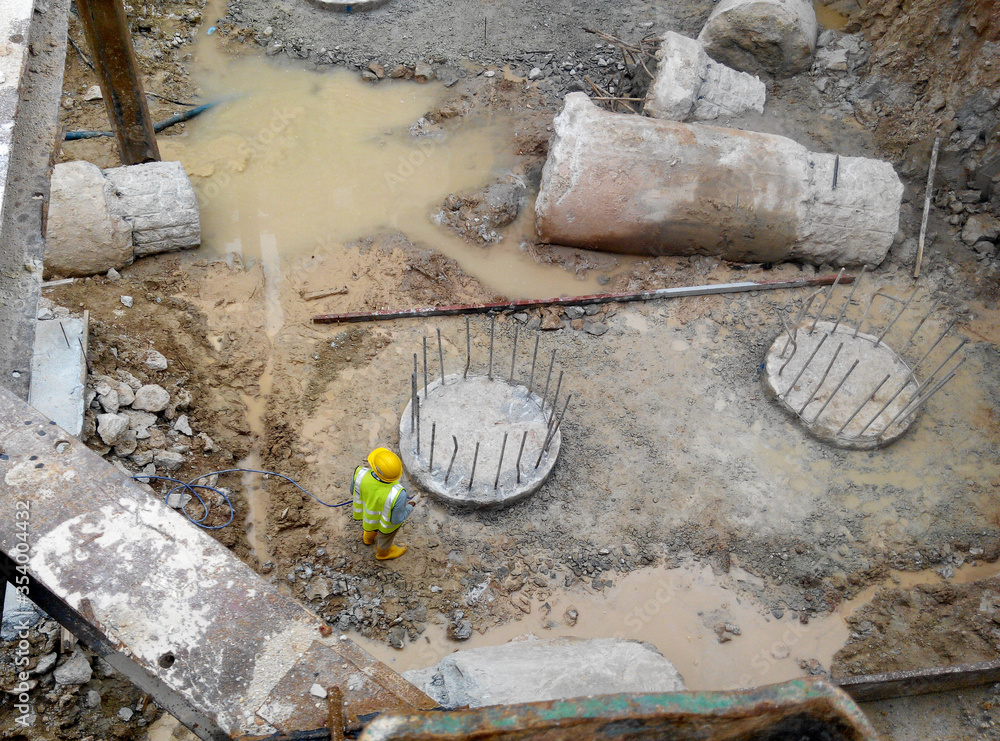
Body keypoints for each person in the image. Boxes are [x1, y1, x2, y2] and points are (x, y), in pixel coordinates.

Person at [351, 447, 420, 560]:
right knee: (385, 538)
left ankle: (367, 538)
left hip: (368, 518)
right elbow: (396, 519)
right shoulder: (398, 494)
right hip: (385, 526)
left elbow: (352, 491)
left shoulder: (360, 474)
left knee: (370, 527)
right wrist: (412, 503)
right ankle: (383, 554)